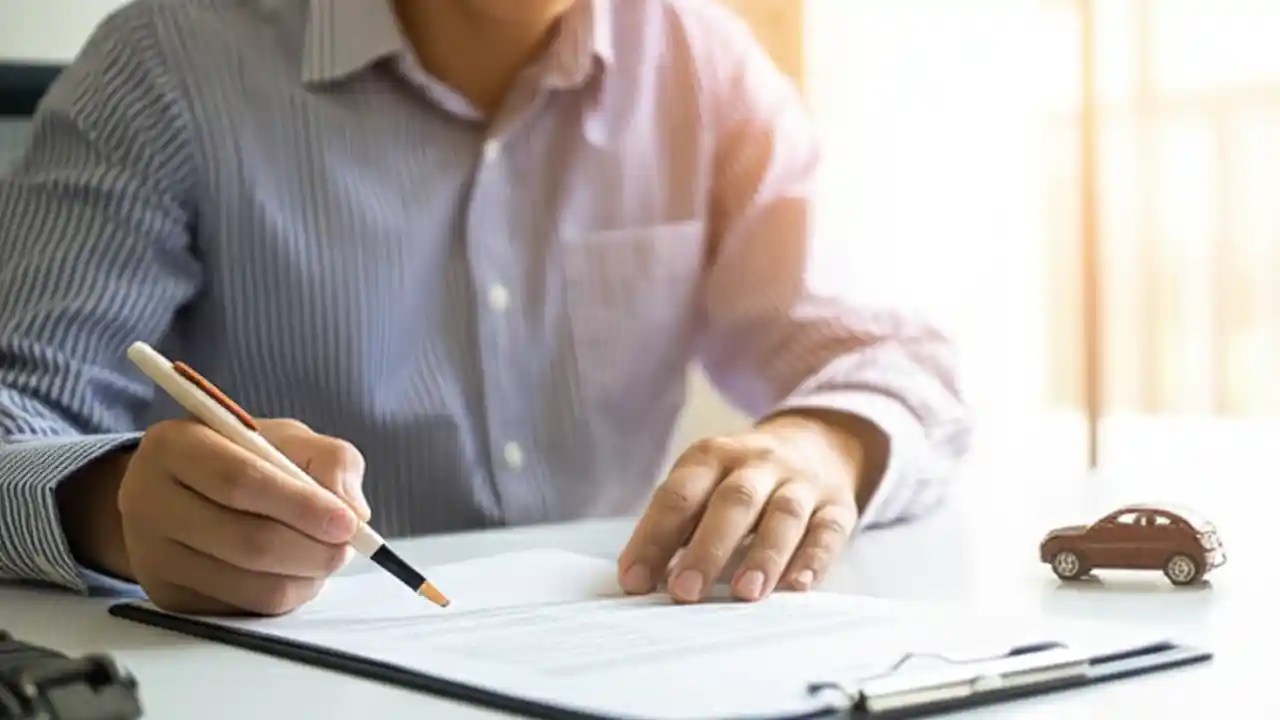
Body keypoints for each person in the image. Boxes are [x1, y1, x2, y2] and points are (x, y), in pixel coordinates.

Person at [0, 0, 971, 616]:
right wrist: (113, 509)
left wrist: (819, 446)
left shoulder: (699, 58)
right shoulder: (165, 65)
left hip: (609, 650)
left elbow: (895, 365)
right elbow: (16, 412)